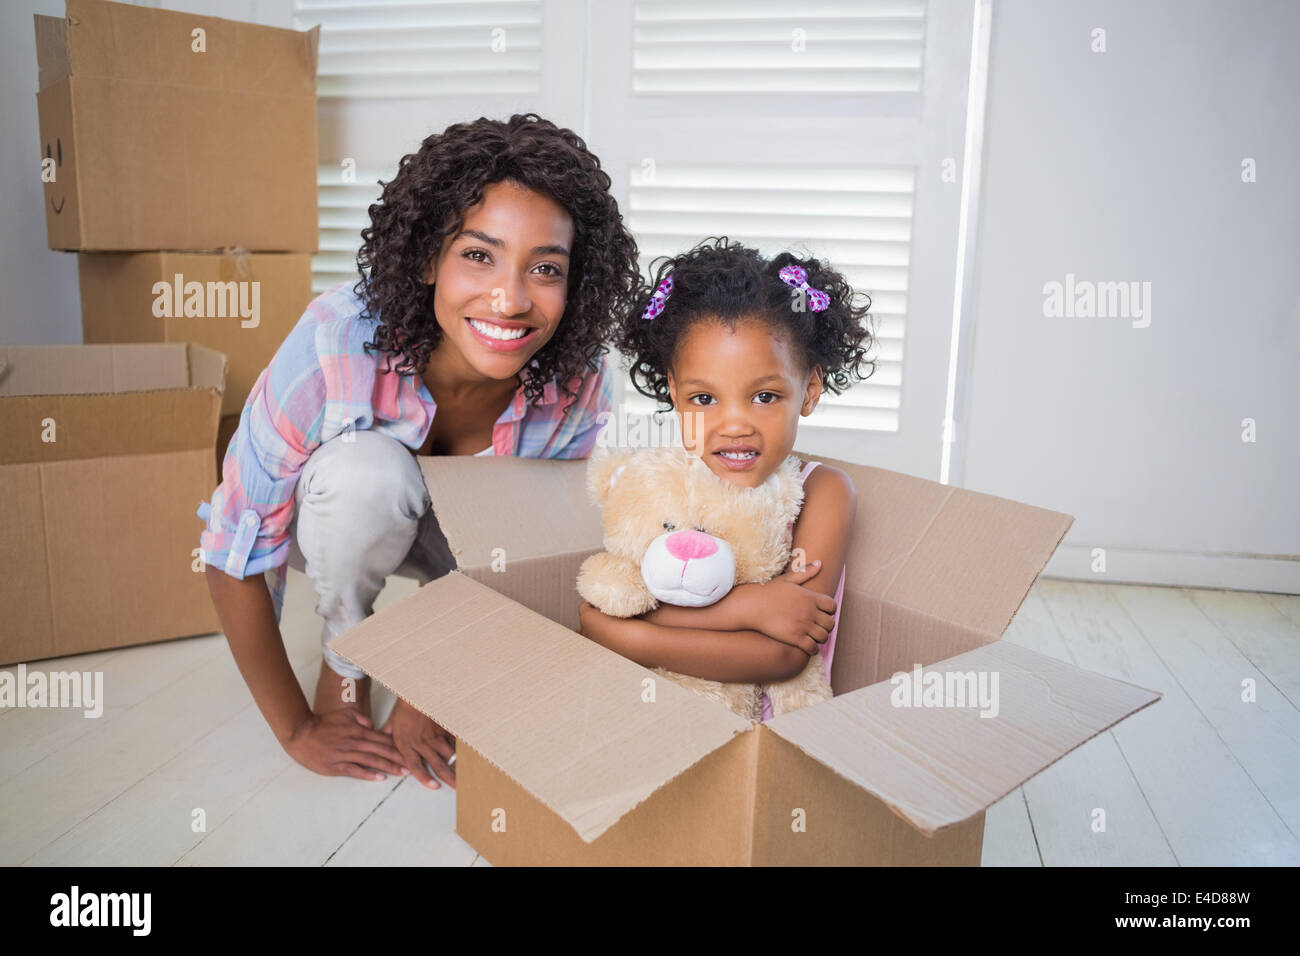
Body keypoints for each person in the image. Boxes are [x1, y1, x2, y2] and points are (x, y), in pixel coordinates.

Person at [198, 114, 641, 789]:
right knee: (363, 476)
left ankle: (413, 653)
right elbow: (232, 550)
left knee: (570, 530)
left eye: (545, 268)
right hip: (356, 519)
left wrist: (428, 684)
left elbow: (528, 552)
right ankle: (345, 659)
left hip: (471, 552)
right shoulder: (332, 346)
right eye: (478, 254)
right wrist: (294, 728)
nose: (510, 297)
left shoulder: (577, 378)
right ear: (429, 257)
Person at [578, 237, 875, 717]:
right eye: (704, 399)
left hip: (762, 739)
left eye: (764, 397)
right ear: (674, 392)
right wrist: (751, 608)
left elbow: (782, 654)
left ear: (810, 389)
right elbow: (606, 603)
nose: (734, 425)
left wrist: (628, 634)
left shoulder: (823, 491)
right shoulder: (666, 480)